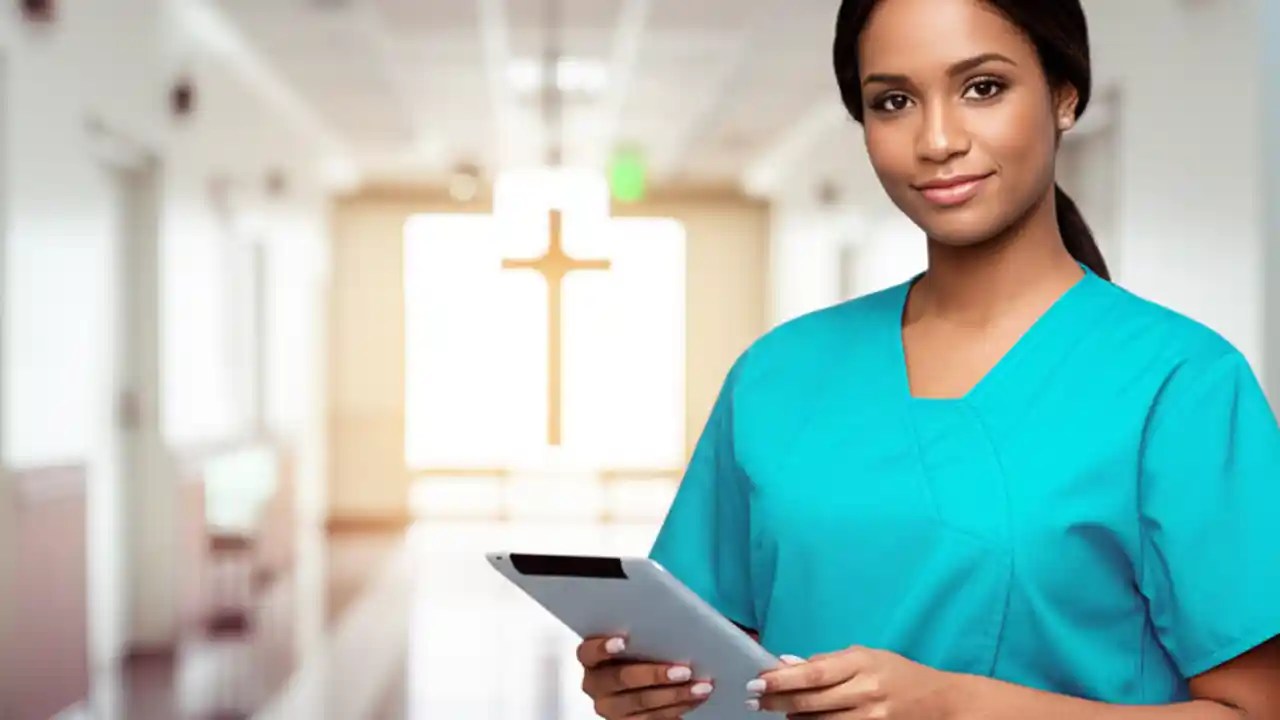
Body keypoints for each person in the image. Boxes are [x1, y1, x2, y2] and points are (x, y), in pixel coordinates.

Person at [576, 0, 1280, 717]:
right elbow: (720, 663)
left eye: (983, 88)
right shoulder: (777, 375)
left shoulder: (1183, 384)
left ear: (1065, 97)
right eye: (894, 101)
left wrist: (950, 705)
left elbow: (1254, 709)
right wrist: (653, 692)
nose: (937, 139)